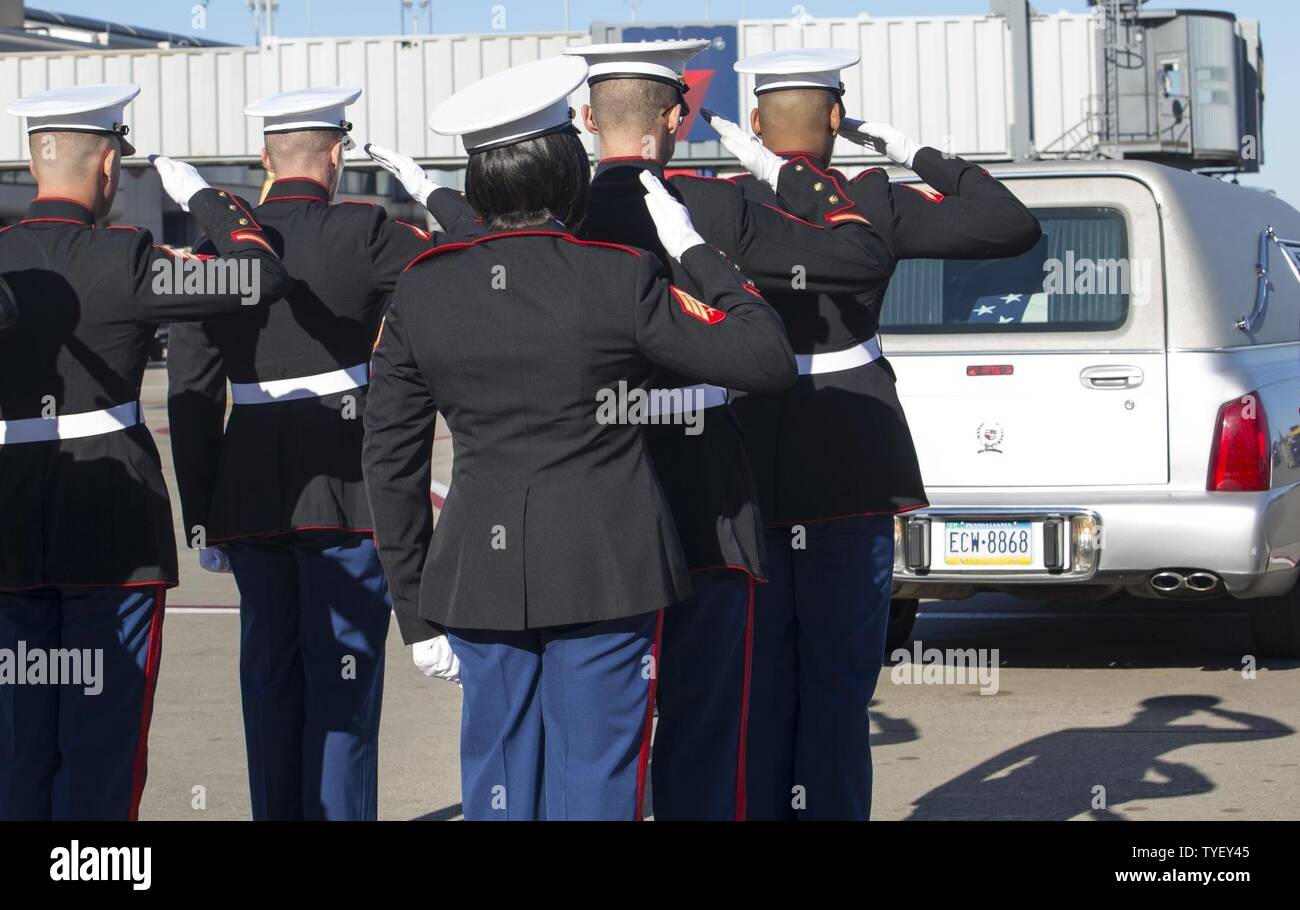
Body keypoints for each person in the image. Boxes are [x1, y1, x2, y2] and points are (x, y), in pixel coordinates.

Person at [361, 55, 797, 821]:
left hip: (478, 573)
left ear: (477, 183)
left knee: (499, 780)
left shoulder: (424, 286)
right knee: (595, 778)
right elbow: (765, 359)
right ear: (568, 170)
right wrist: (695, 252)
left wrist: (415, 610)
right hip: (607, 567)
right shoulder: (617, 274)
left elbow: (390, 456)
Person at [563, 40, 893, 821]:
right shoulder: (712, 208)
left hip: (589, 481)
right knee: (708, 721)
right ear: (676, 119)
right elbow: (858, 255)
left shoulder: (562, 214)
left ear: (586, 118)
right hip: (704, 486)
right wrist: (783, 171)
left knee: (596, 730)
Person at [715, 48, 1042, 820]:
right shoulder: (869, 198)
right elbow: (1011, 225)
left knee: (756, 681)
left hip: (744, 455)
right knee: (838, 684)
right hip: (852, 461)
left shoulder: (720, 200)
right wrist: (911, 150)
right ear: (837, 117)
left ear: (755, 122)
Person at [165, 86, 467, 821]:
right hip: (348, 487)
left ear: (264, 159)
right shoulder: (365, 230)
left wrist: (203, 516)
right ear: (336, 156)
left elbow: (191, 394)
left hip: (248, 492)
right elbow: (468, 267)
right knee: (344, 688)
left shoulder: (217, 248)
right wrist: (433, 194)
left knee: (268, 682)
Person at [0, 83, 291, 820]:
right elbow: (259, 277)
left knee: (18, 745)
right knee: (103, 743)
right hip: (112, 531)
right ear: (109, 168)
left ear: (35, 165)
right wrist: (209, 201)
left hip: (9, 524)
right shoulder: (127, 259)